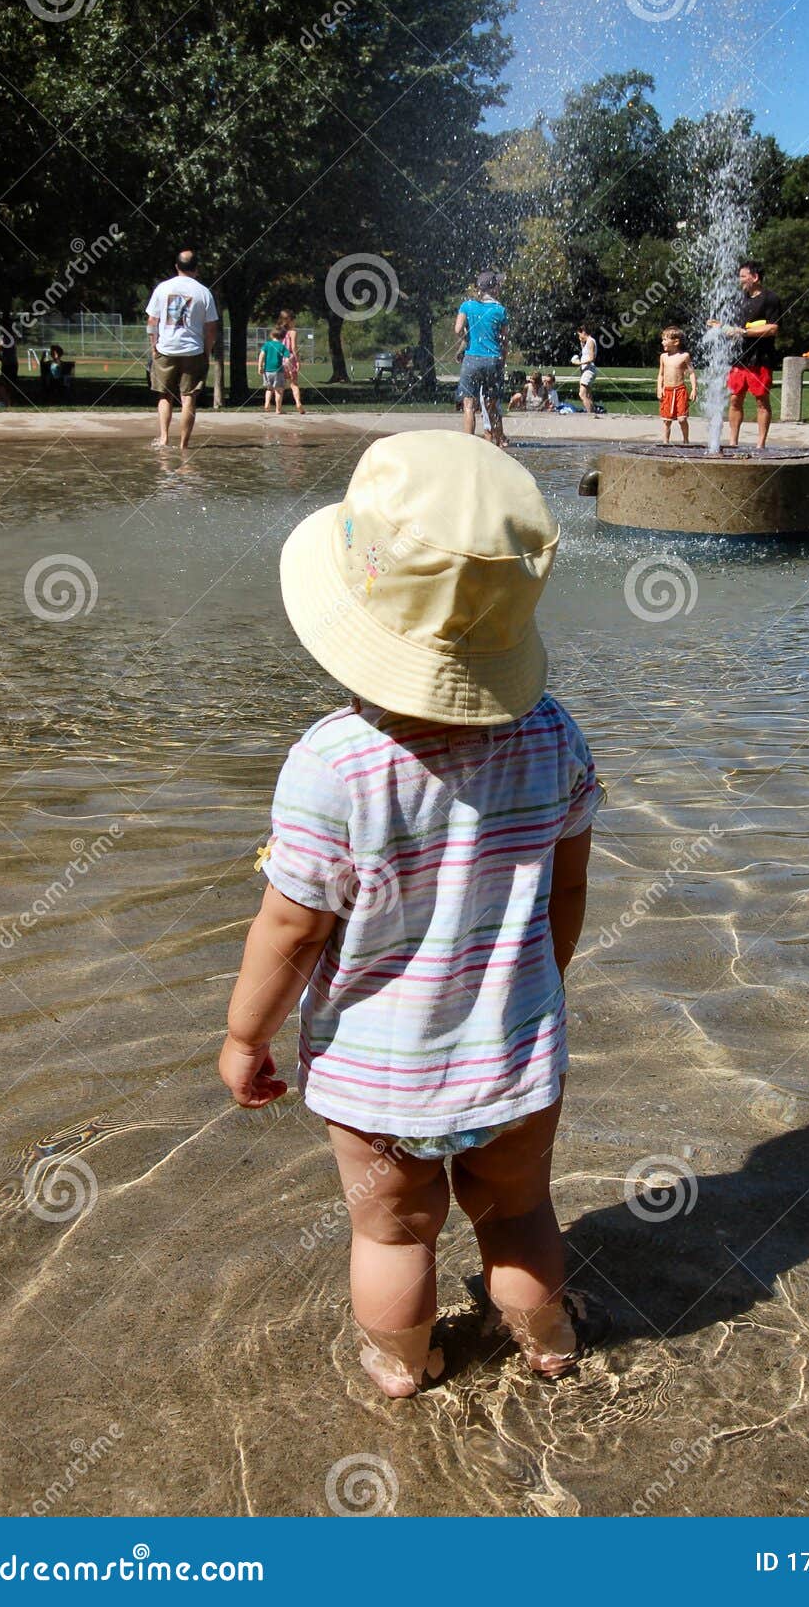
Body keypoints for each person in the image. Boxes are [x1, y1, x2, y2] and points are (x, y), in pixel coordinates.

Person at [218, 431, 602, 1400]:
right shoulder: (554, 734)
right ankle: (547, 1337)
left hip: (376, 1074)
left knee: (391, 1228)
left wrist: (242, 1033)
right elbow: (564, 891)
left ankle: (403, 1364)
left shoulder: (333, 761)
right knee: (516, 1213)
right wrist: (538, 980)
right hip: (514, 1052)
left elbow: (292, 928)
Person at [145, 249, 219, 452]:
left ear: (176, 266)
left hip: (166, 348)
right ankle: (183, 445)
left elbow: (152, 320)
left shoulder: (162, 288)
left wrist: (154, 346)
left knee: (164, 395)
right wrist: (207, 350)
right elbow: (211, 327)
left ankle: (164, 438)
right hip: (193, 350)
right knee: (188, 397)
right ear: (197, 268)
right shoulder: (203, 292)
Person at [708, 260, 781, 451]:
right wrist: (720, 326)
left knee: (761, 400)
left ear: (755, 277)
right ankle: (733, 442)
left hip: (761, 359)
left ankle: (760, 444)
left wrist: (744, 333)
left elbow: (773, 328)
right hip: (739, 359)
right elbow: (733, 327)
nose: (739, 280)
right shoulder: (738, 299)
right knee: (734, 399)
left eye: (743, 276)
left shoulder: (770, 299)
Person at [454, 270, 508, 446]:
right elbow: (504, 341)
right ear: (493, 289)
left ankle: (468, 444)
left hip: (472, 359)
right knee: (492, 405)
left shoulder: (467, 306)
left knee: (468, 405)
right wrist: (502, 362)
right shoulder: (500, 310)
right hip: (493, 360)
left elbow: (457, 329)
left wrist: (465, 339)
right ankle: (499, 444)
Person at [656, 327, 697, 445]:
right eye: (662, 339)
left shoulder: (684, 356)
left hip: (680, 390)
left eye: (665, 339)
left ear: (676, 342)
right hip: (667, 391)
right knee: (667, 420)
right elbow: (661, 375)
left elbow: (692, 373)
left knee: (682, 419)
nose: (662, 342)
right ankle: (665, 442)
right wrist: (659, 388)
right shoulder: (663, 357)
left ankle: (686, 441)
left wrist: (694, 388)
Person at [277, 309, 306, 414]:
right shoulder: (293, 332)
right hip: (290, 358)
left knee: (280, 385)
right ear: (291, 320)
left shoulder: (278, 332)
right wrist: (297, 360)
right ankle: (298, 403)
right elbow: (293, 347)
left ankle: (278, 408)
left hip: (280, 359)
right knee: (294, 384)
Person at [257, 328, 292, 413]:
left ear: (271, 335)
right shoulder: (282, 346)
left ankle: (267, 404)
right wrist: (288, 369)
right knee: (279, 390)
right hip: (278, 371)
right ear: (282, 337)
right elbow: (288, 358)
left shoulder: (267, 344)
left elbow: (262, 355)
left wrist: (260, 366)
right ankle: (278, 409)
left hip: (267, 370)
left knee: (269, 389)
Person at [573, 326, 598, 413]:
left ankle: (590, 414)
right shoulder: (587, 342)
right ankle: (593, 412)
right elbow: (585, 353)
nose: (579, 336)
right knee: (588, 395)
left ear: (583, 332)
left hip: (589, 370)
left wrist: (579, 363)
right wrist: (582, 342)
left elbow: (592, 358)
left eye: (579, 334)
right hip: (586, 370)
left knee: (582, 394)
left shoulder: (591, 341)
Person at [0, 315, 18, 391]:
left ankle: (10, 398)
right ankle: (7, 397)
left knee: (11, 383)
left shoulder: (11, 336)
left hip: (12, 363)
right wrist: (2, 360)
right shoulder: (4, 338)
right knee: (7, 383)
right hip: (9, 364)